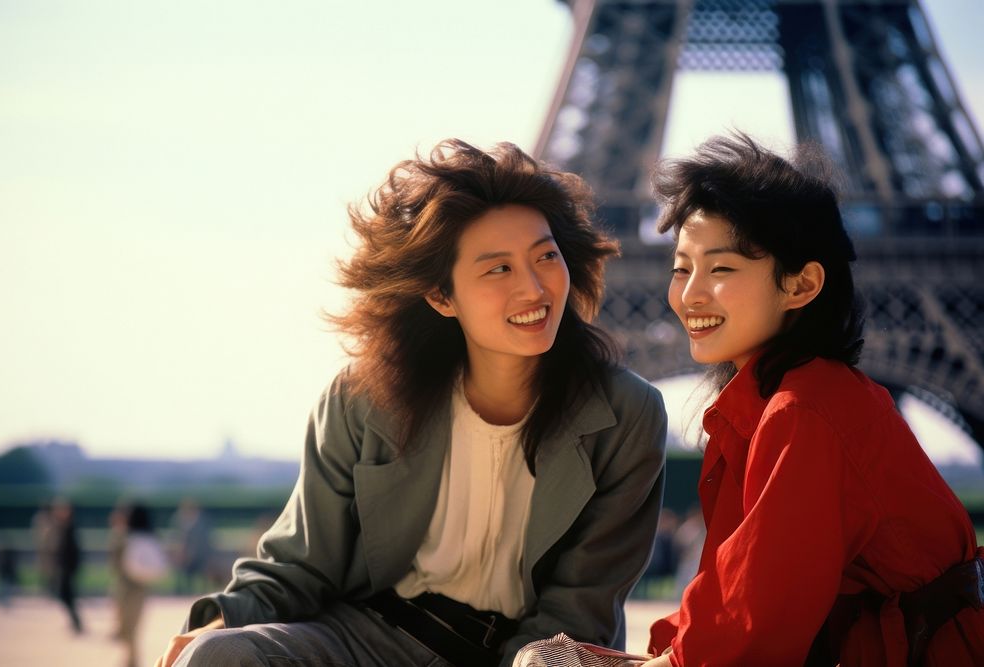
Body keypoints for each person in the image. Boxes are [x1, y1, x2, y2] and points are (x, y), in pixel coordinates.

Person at [154, 138, 668, 667]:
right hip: (360, 639)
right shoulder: (362, 399)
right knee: (221, 654)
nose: (534, 288)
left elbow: (579, 608)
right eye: (498, 269)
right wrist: (220, 622)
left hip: (520, 658)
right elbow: (301, 561)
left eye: (545, 256)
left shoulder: (627, 416)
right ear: (442, 297)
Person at [514, 133, 984, 666]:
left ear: (801, 285)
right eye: (681, 268)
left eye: (721, 269)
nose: (689, 294)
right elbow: (730, 592)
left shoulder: (804, 411)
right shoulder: (783, 404)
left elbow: (751, 629)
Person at [110, 502, 166, 667]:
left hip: (128, 587)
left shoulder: (130, 538)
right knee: (129, 626)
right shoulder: (146, 538)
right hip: (137, 587)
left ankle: (131, 660)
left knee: (129, 626)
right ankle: (130, 659)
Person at [50, 497, 83, 634]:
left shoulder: (70, 528)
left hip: (67, 568)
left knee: (66, 594)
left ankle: (76, 622)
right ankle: (75, 621)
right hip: (63, 566)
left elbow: (73, 551)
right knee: (65, 595)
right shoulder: (61, 526)